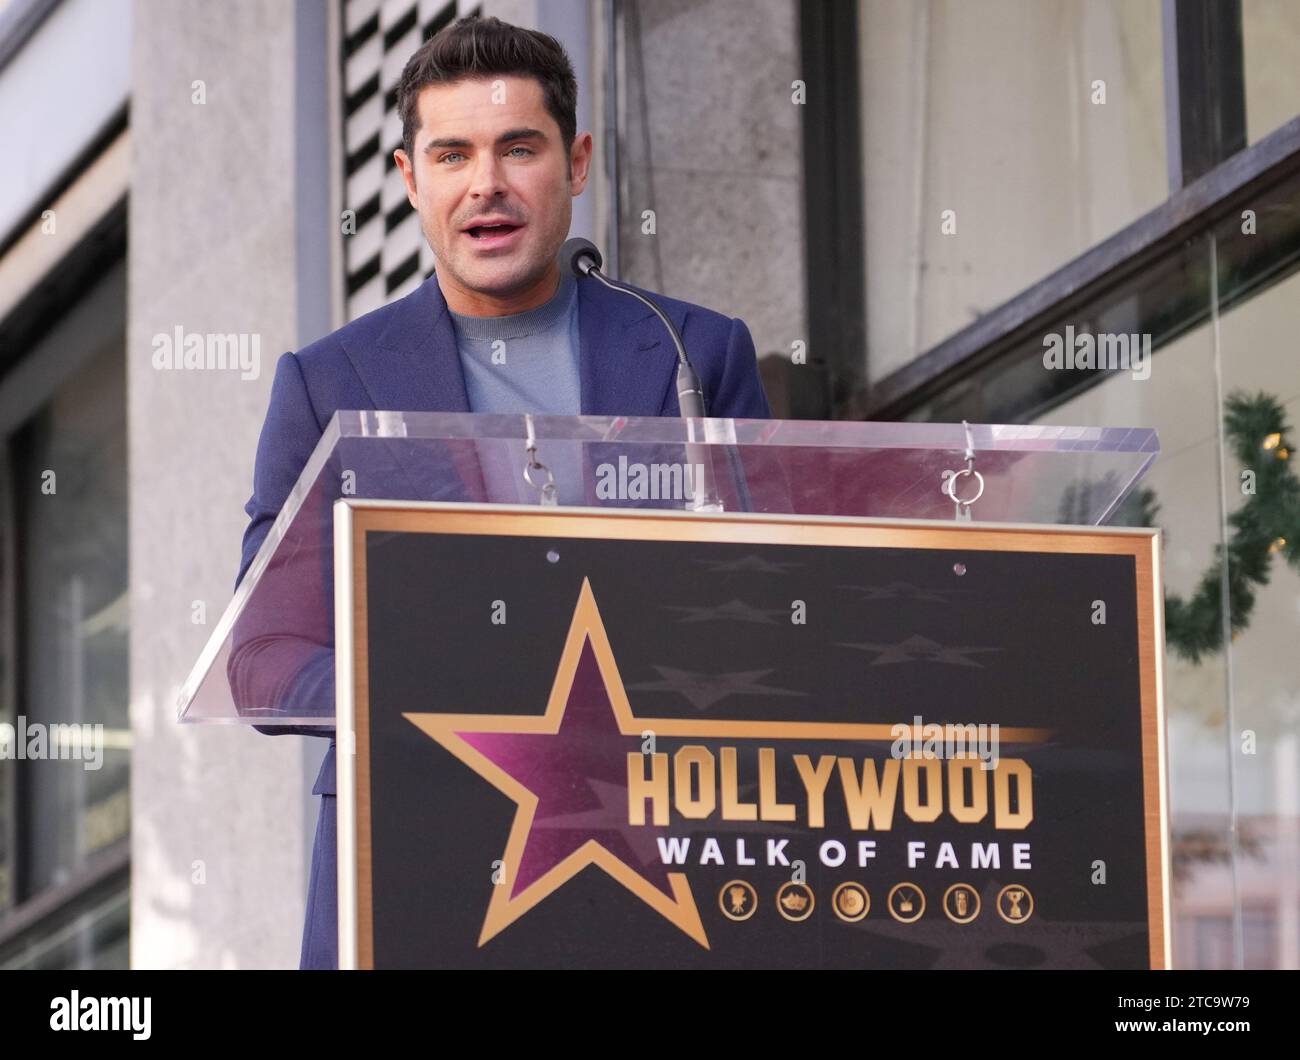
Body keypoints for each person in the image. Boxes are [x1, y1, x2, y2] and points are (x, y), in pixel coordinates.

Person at [235, 14, 771, 970]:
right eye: (453, 155)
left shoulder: (693, 353)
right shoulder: (329, 384)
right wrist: (414, 692)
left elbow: (778, 597)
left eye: (519, 148)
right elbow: (263, 653)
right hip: (414, 853)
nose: (486, 183)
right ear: (410, 179)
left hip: (666, 843)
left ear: (577, 163)